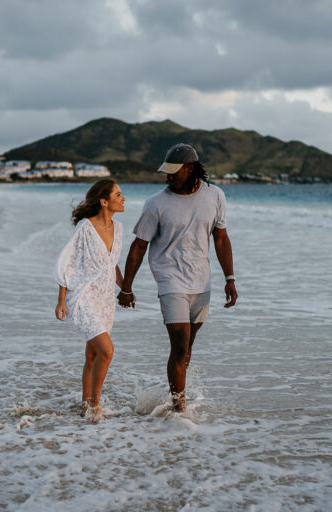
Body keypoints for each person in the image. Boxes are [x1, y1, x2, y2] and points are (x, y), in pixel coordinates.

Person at [118, 143, 237, 412]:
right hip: (170, 280)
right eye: (166, 172)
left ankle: (176, 394)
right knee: (180, 345)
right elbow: (139, 246)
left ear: (190, 169)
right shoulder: (156, 203)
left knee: (186, 349)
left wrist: (230, 278)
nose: (168, 177)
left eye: (174, 172)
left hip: (201, 281)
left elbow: (220, 237)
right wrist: (126, 287)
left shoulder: (216, 196)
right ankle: (178, 408)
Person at [55, 179, 126, 423]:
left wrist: (125, 288)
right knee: (107, 351)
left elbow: (111, 264)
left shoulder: (119, 229)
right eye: (118, 194)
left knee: (93, 356)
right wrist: (61, 300)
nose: (123, 198)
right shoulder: (85, 227)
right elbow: (68, 262)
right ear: (104, 201)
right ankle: (95, 405)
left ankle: (85, 405)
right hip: (83, 297)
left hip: (104, 299)